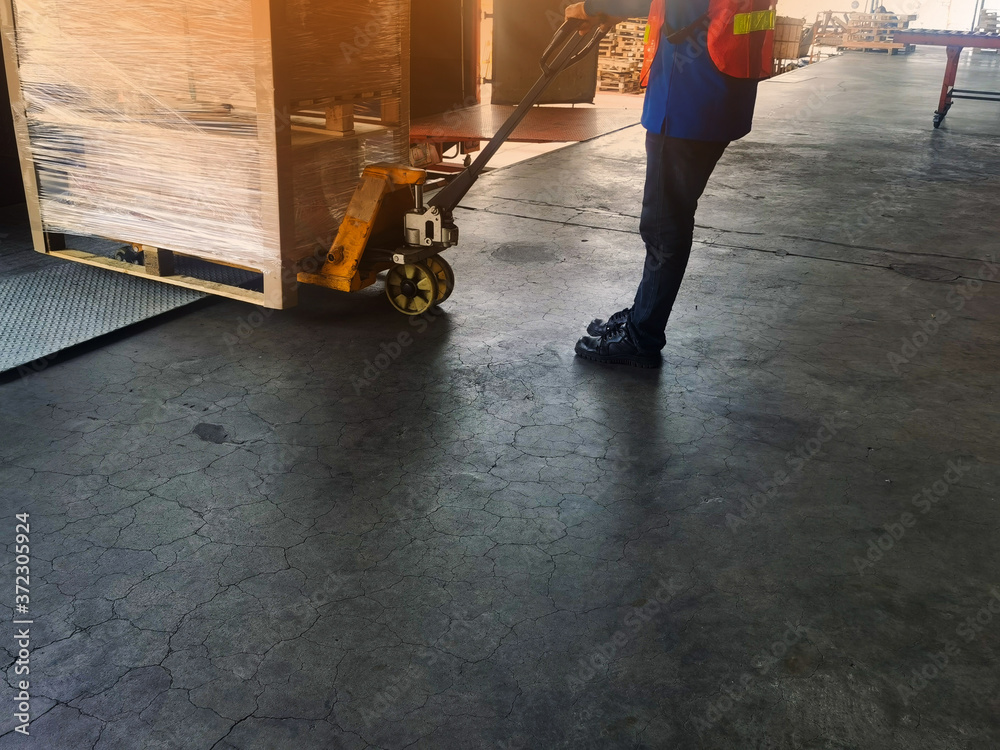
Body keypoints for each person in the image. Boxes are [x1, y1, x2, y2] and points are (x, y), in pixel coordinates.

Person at [568, 0, 763, 368]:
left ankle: (642, 336)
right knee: (670, 217)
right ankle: (643, 316)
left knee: (663, 226)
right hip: (718, 92)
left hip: (687, 98)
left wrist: (594, 6)